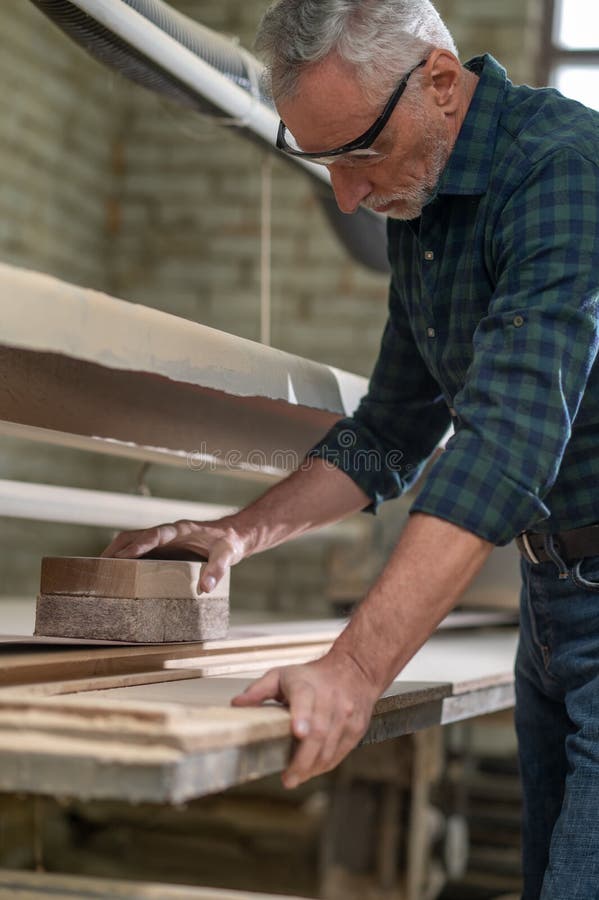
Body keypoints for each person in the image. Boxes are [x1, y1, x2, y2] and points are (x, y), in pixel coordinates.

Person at [102, 1, 599, 895]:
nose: (346, 196)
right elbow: (391, 432)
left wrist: (356, 669)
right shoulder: (423, 203)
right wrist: (236, 535)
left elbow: (505, 444)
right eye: (322, 160)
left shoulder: (562, 171)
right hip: (553, 595)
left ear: (440, 83)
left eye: (358, 153)